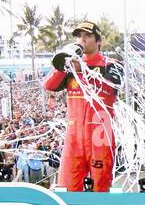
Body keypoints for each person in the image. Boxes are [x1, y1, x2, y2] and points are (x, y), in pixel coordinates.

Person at [43, 20, 122, 192]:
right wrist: (65, 65)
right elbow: (49, 85)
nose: (82, 40)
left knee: (100, 189)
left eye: (87, 36)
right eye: (79, 36)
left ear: (99, 41)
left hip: (100, 135)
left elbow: (110, 88)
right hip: (74, 136)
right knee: (66, 189)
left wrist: (82, 70)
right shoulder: (69, 65)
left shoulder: (112, 64)